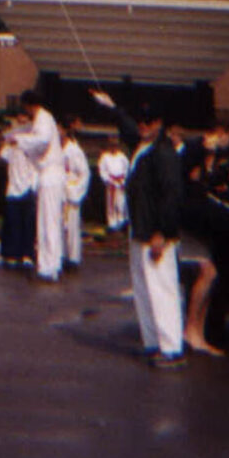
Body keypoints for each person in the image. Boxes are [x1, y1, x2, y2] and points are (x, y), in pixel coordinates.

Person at [93, 90, 185, 367]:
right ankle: (153, 343)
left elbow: (172, 195)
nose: (143, 125)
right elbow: (127, 126)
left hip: (156, 233)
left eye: (149, 121)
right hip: (139, 230)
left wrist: (163, 232)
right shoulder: (141, 145)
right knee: (144, 289)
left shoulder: (163, 152)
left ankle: (172, 349)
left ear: (160, 123)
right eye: (141, 121)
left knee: (162, 288)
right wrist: (110, 106)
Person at [179, 123, 229, 355]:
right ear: (218, 133)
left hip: (203, 225)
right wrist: (203, 149)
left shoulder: (217, 161)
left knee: (207, 276)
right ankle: (190, 330)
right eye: (227, 137)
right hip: (188, 224)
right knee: (207, 273)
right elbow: (188, 182)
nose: (228, 142)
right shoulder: (194, 150)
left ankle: (197, 333)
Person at [9, 90, 66, 283]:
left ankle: (51, 265)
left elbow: (41, 141)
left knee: (49, 221)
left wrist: (20, 140)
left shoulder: (44, 119)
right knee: (44, 221)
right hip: (45, 175)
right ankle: (47, 263)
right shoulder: (40, 120)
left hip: (51, 174)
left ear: (29, 105)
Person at [0, 127, 37, 269]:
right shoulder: (11, 148)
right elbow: (1, 154)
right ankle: (10, 254)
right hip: (13, 189)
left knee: (27, 224)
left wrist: (32, 187)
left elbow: (35, 168)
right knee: (11, 223)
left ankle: (27, 254)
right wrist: (4, 141)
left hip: (26, 189)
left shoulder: (30, 148)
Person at [61, 121, 91, 270]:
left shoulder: (74, 150)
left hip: (71, 191)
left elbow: (84, 173)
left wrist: (75, 191)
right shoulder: (54, 149)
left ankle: (73, 258)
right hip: (58, 192)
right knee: (59, 226)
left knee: (72, 227)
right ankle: (61, 255)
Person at [97, 139, 129, 234]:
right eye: (112, 146)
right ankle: (112, 223)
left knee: (121, 203)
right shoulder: (105, 157)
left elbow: (127, 169)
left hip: (120, 182)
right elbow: (102, 170)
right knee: (111, 204)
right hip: (111, 183)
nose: (114, 148)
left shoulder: (122, 157)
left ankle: (122, 221)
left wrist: (123, 180)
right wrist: (108, 180)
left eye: (115, 145)